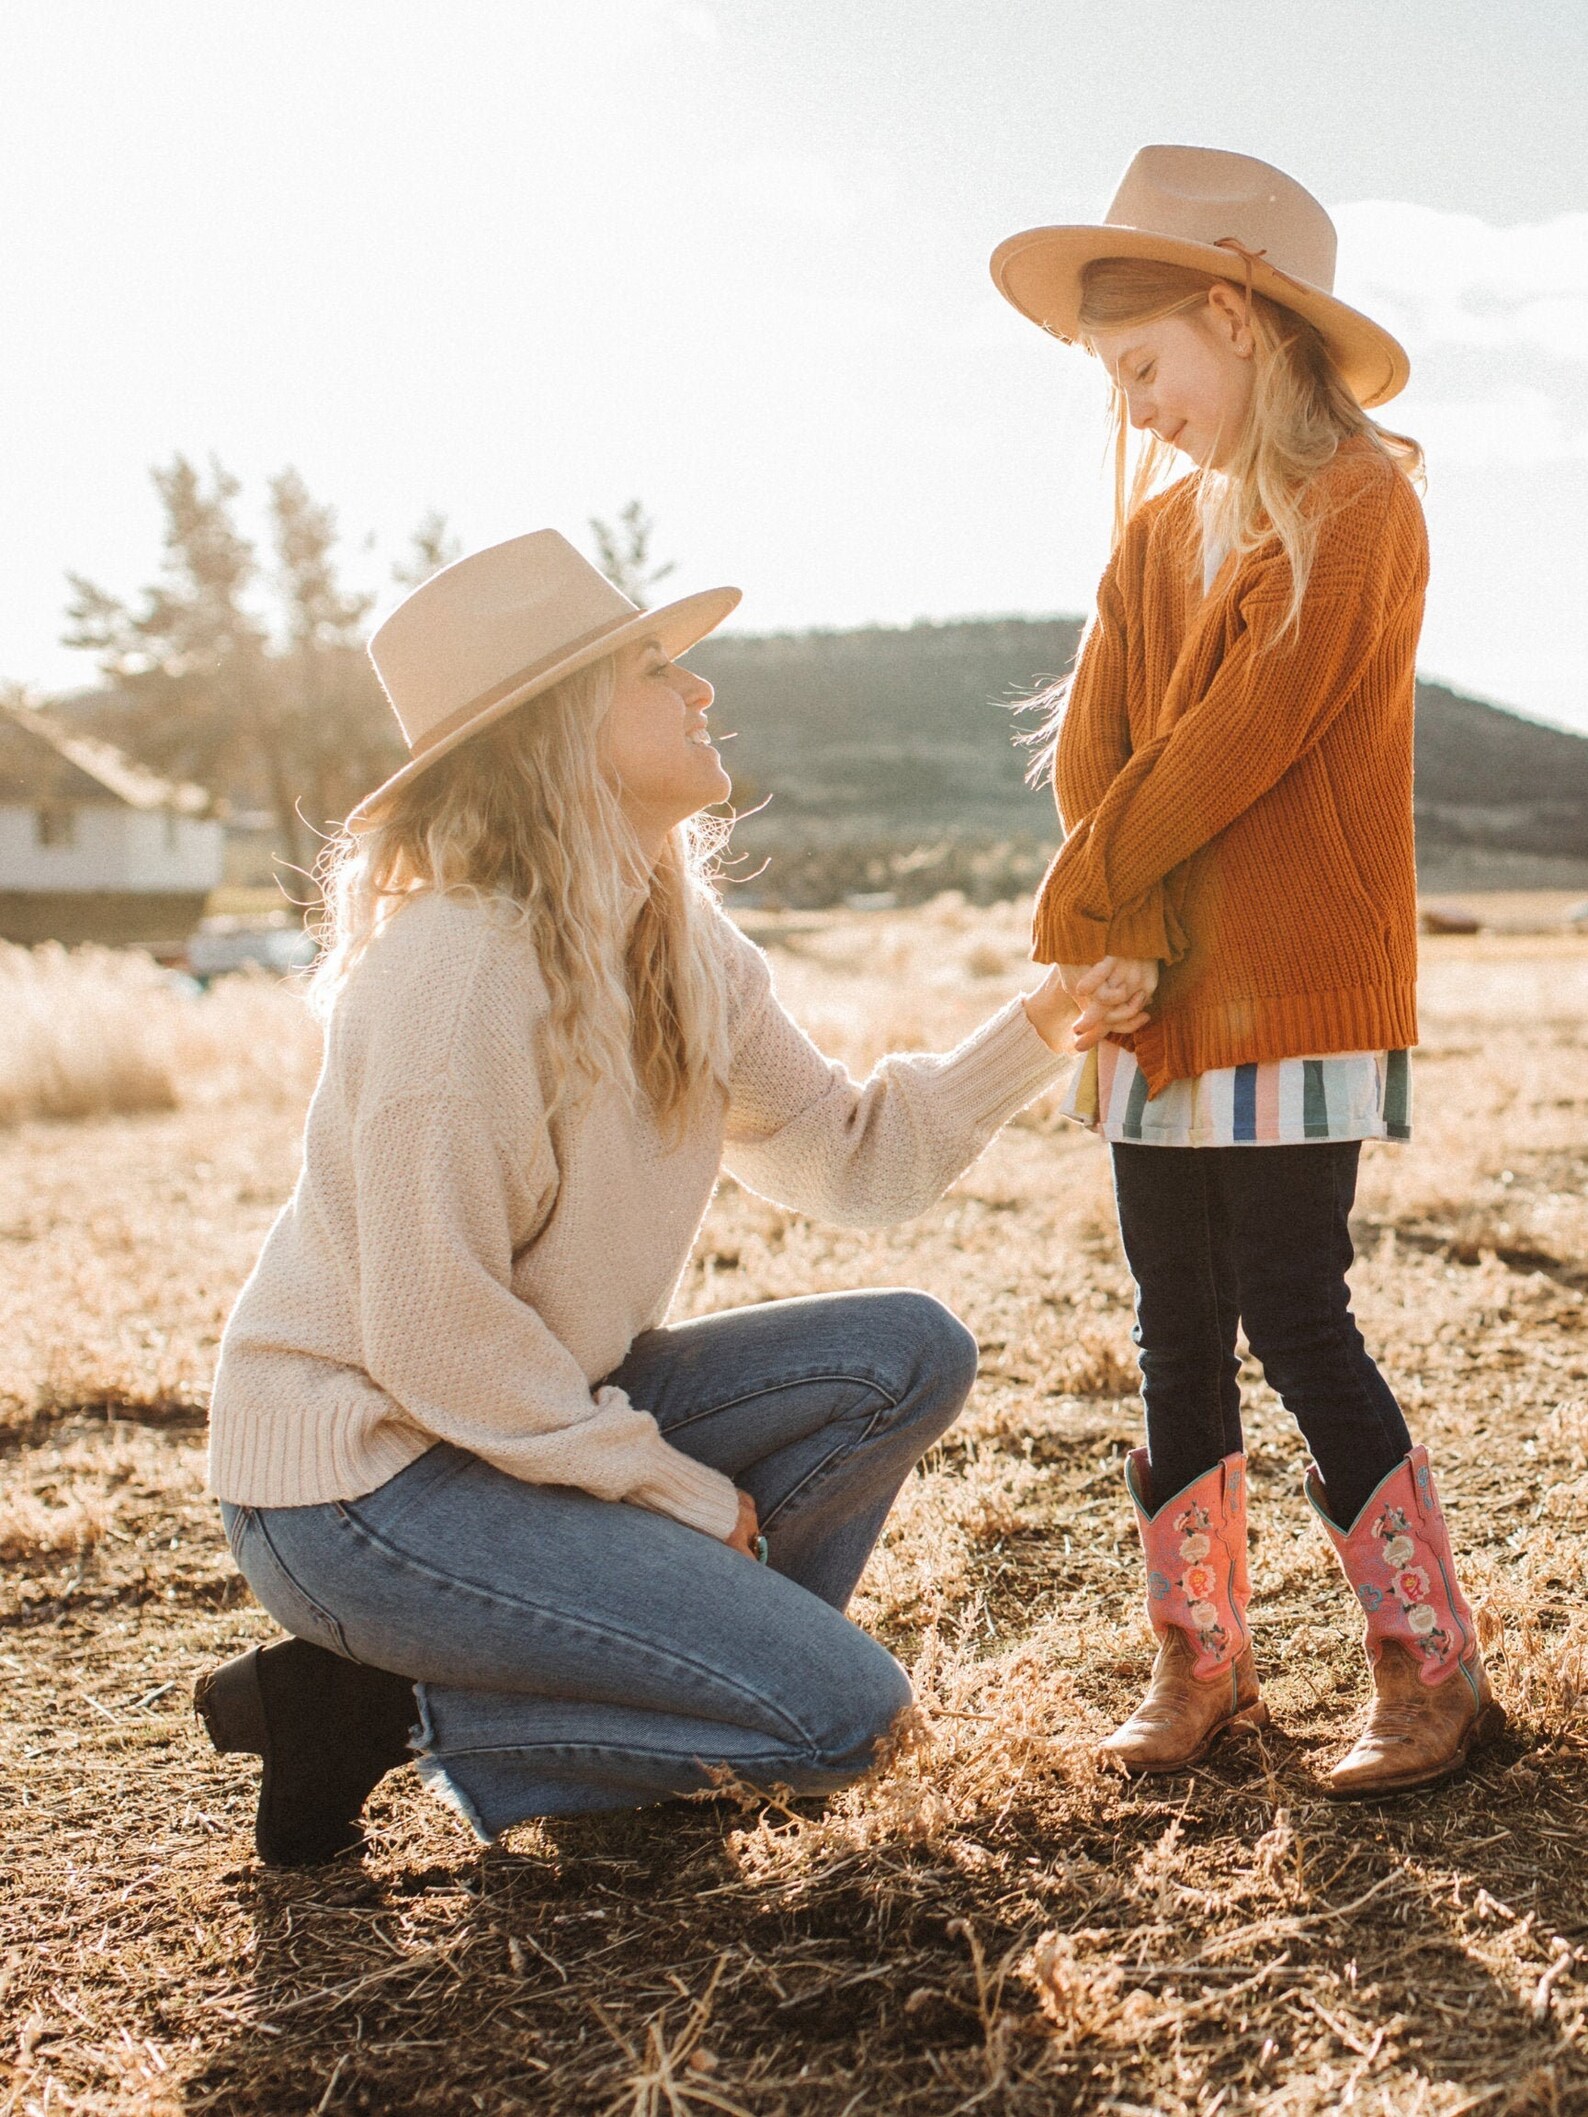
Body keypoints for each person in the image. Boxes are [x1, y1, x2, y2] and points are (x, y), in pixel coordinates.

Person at [196, 529, 1076, 1866]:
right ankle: (378, 1706)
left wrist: (1052, 1022)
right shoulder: (452, 967)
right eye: (657, 669)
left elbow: (852, 1156)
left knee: (907, 1354)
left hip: (514, 1417)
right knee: (851, 1722)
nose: (703, 689)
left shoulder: (678, 940)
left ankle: (675, 1678)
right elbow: (438, 1341)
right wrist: (662, 1483)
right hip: (361, 1482)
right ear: (557, 729)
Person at [989, 146, 1503, 1795]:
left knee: (1294, 1307)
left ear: (1233, 313)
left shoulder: (1362, 507)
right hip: (1160, 997)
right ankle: (1200, 1662)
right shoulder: (1153, 541)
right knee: (1169, 1325)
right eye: (1114, 385)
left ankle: (1430, 1659)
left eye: (1147, 369)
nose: (1137, 410)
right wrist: (1113, 928)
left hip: (1293, 988)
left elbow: (1245, 736)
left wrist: (1081, 894)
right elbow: (1104, 742)